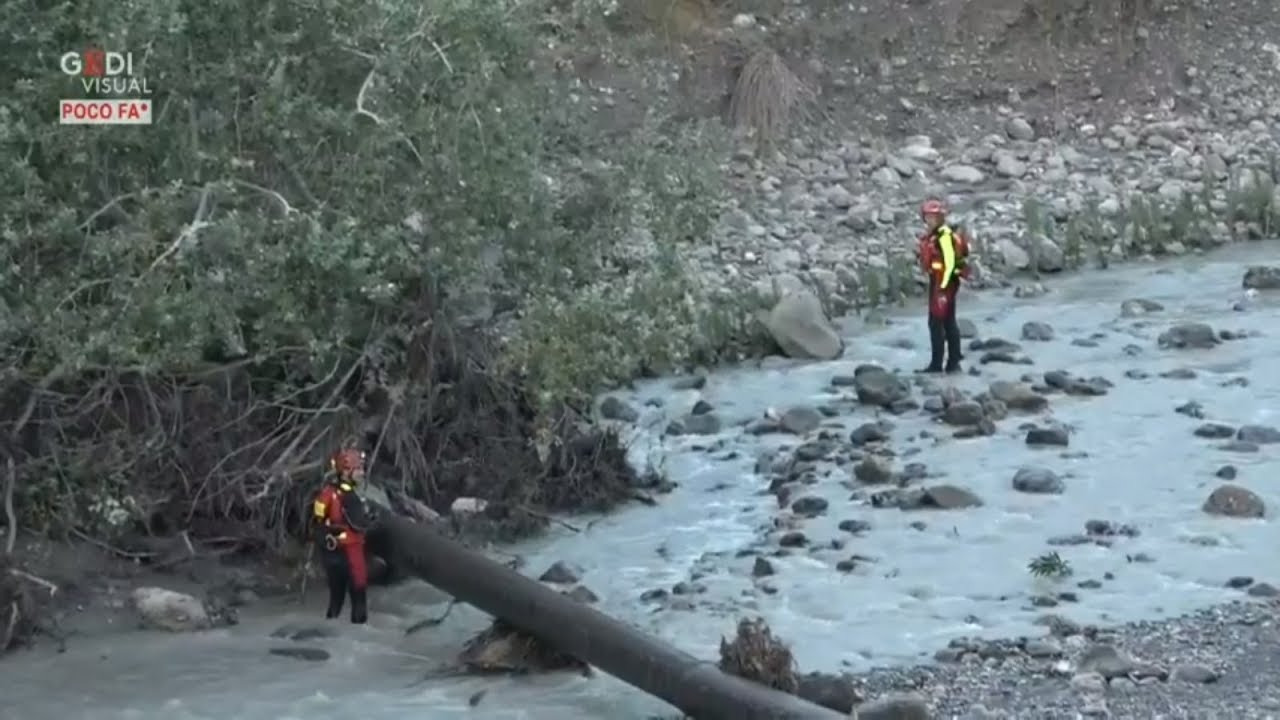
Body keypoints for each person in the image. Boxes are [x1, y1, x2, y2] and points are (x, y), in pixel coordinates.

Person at [311, 447, 376, 623]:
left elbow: (317, 522)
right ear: (347, 472)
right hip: (350, 550)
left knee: (336, 598)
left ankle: (330, 628)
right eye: (359, 469)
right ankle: (357, 631)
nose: (362, 473)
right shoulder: (351, 497)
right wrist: (371, 518)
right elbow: (360, 524)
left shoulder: (327, 493)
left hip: (332, 553)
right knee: (358, 595)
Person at [915, 198, 970, 374]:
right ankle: (950, 362)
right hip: (940, 280)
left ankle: (942, 364)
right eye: (927, 217)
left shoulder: (944, 237)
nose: (929, 220)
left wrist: (942, 289)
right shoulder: (936, 235)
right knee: (944, 321)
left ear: (940, 217)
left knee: (938, 322)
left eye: (933, 217)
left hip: (944, 282)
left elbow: (950, 263)